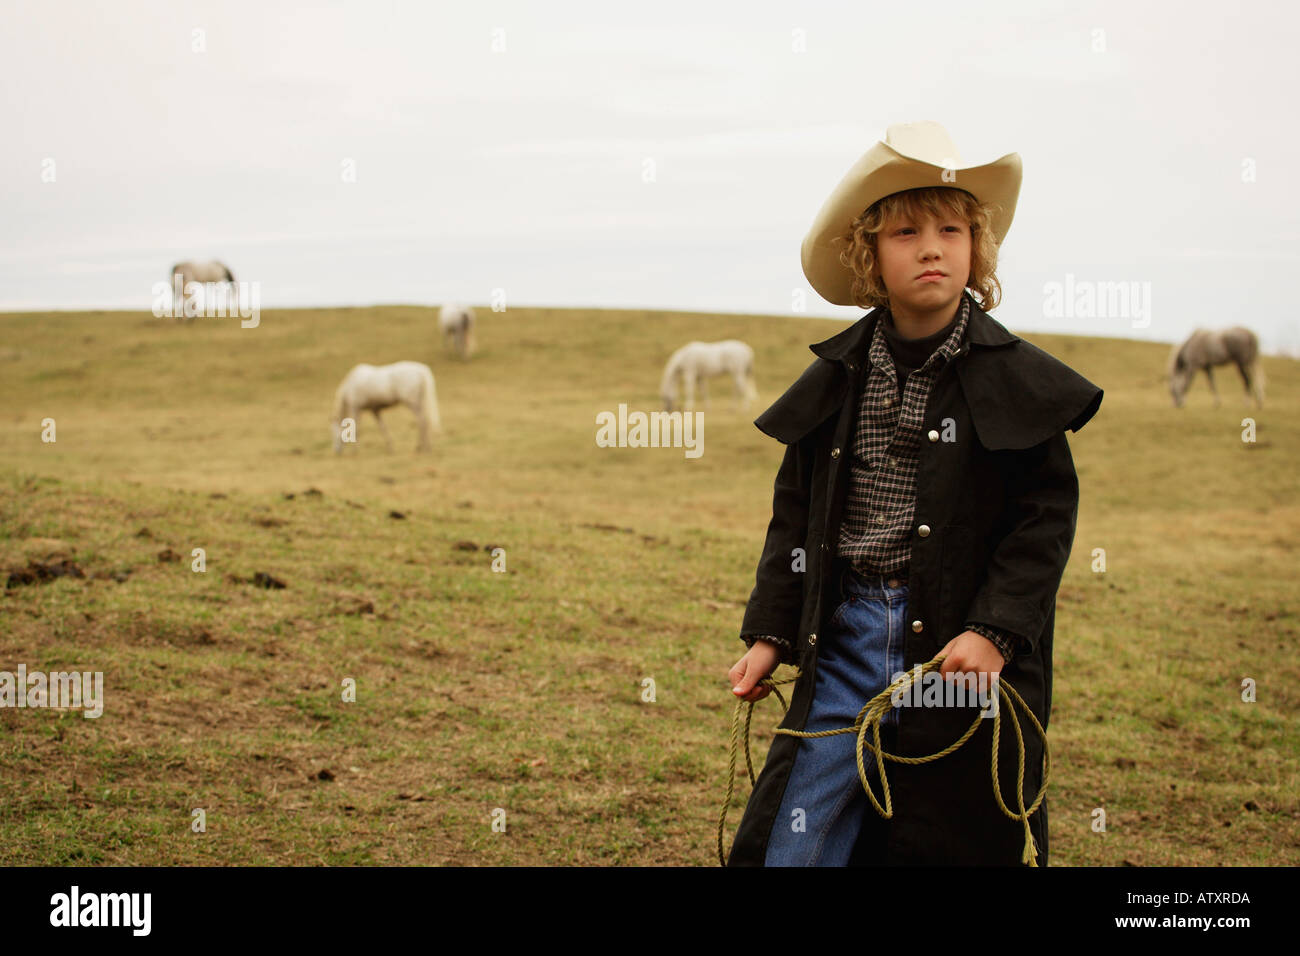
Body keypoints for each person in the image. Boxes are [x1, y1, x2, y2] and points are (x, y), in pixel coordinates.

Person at [724, 121, 1104, 866]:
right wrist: (772, 631)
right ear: (869, 255)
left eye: (951, 228)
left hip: (957, 651)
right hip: (847, 636)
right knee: (796, 837)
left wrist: (994, 632)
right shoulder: (840, 375)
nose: (931, 246)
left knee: (947, 833)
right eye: (905, 231)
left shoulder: (1015, 379)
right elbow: (794, 516)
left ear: (976, 248)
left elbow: (1043, 523)